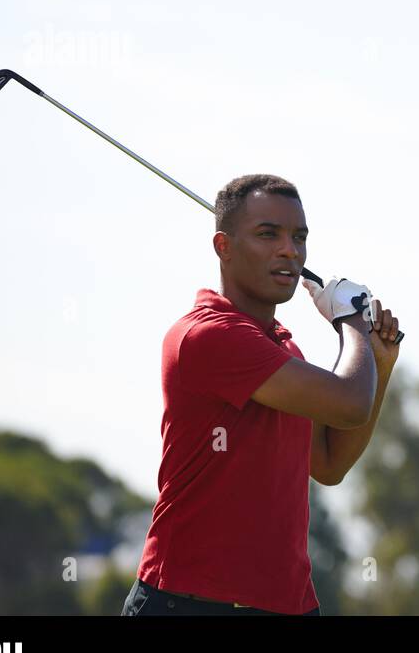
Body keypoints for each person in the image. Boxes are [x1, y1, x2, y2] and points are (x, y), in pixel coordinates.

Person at [121, 173, 401, 616]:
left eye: (299, 237)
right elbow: (350, 402)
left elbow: (328, 464)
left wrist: (379, 364)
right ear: (224, 246)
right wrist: (350, 322)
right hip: (189, 602)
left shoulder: (283, 348)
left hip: (286, 604)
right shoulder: (207, 335)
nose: (290, 250)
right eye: (268, 234)